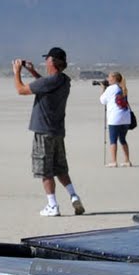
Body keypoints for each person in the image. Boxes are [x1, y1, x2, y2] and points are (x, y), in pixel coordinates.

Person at [13, 46, 84, 217]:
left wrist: (16, 72)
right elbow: (44, 84)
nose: (45, 62)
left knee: (45, 171)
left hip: (43, 131)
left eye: (47, 59)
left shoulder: (49, 82)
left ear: (52, 61)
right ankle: (74, 195)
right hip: (57, 131)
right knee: (60, 168)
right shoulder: (63, 80)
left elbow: (21, 90)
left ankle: (52, 205)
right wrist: (33, 72)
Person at [100, 72, 134, 167]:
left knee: (113, 140)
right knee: (123, 139)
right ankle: (127, 160)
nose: (108, 78)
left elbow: (102, 101)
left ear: (114, 78)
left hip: (115, 118)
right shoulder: (123, 87)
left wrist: (103, 89)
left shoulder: (111, 88)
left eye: (109, 77)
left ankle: (113, 161)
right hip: (126, 117)